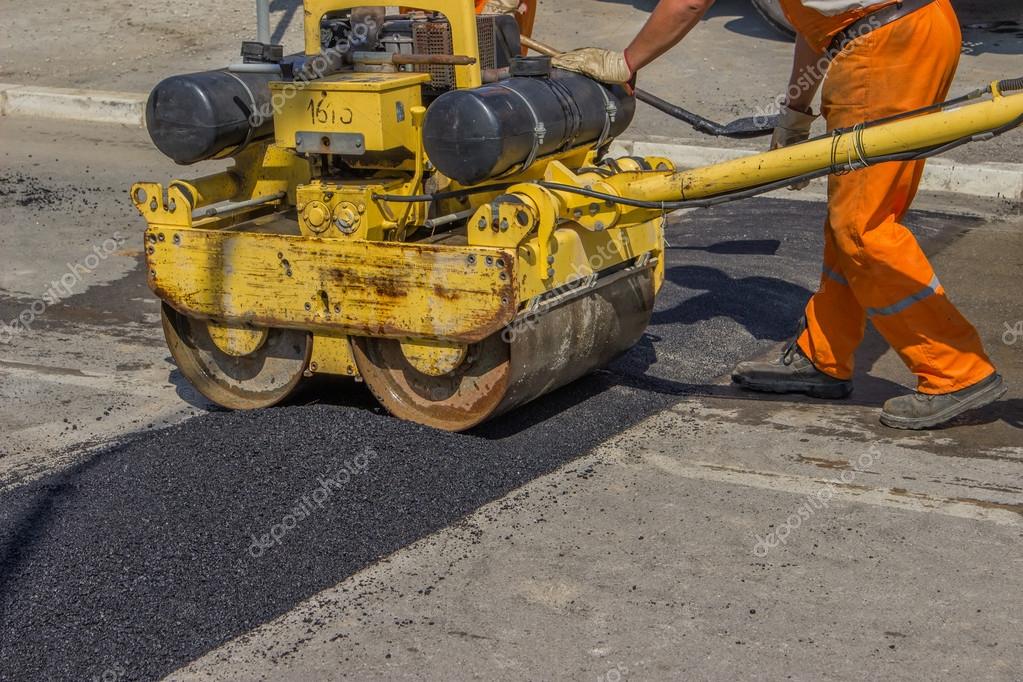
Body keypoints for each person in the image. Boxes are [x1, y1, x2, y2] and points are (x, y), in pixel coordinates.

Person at [551, 0, 1006, 430]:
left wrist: (626, 62)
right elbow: (816, 25)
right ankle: (824, 357)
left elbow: (690, 4)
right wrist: (795, 111)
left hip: (886, 46)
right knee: (852, 215)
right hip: (904, 31)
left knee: (860, 228)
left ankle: (956, 372)